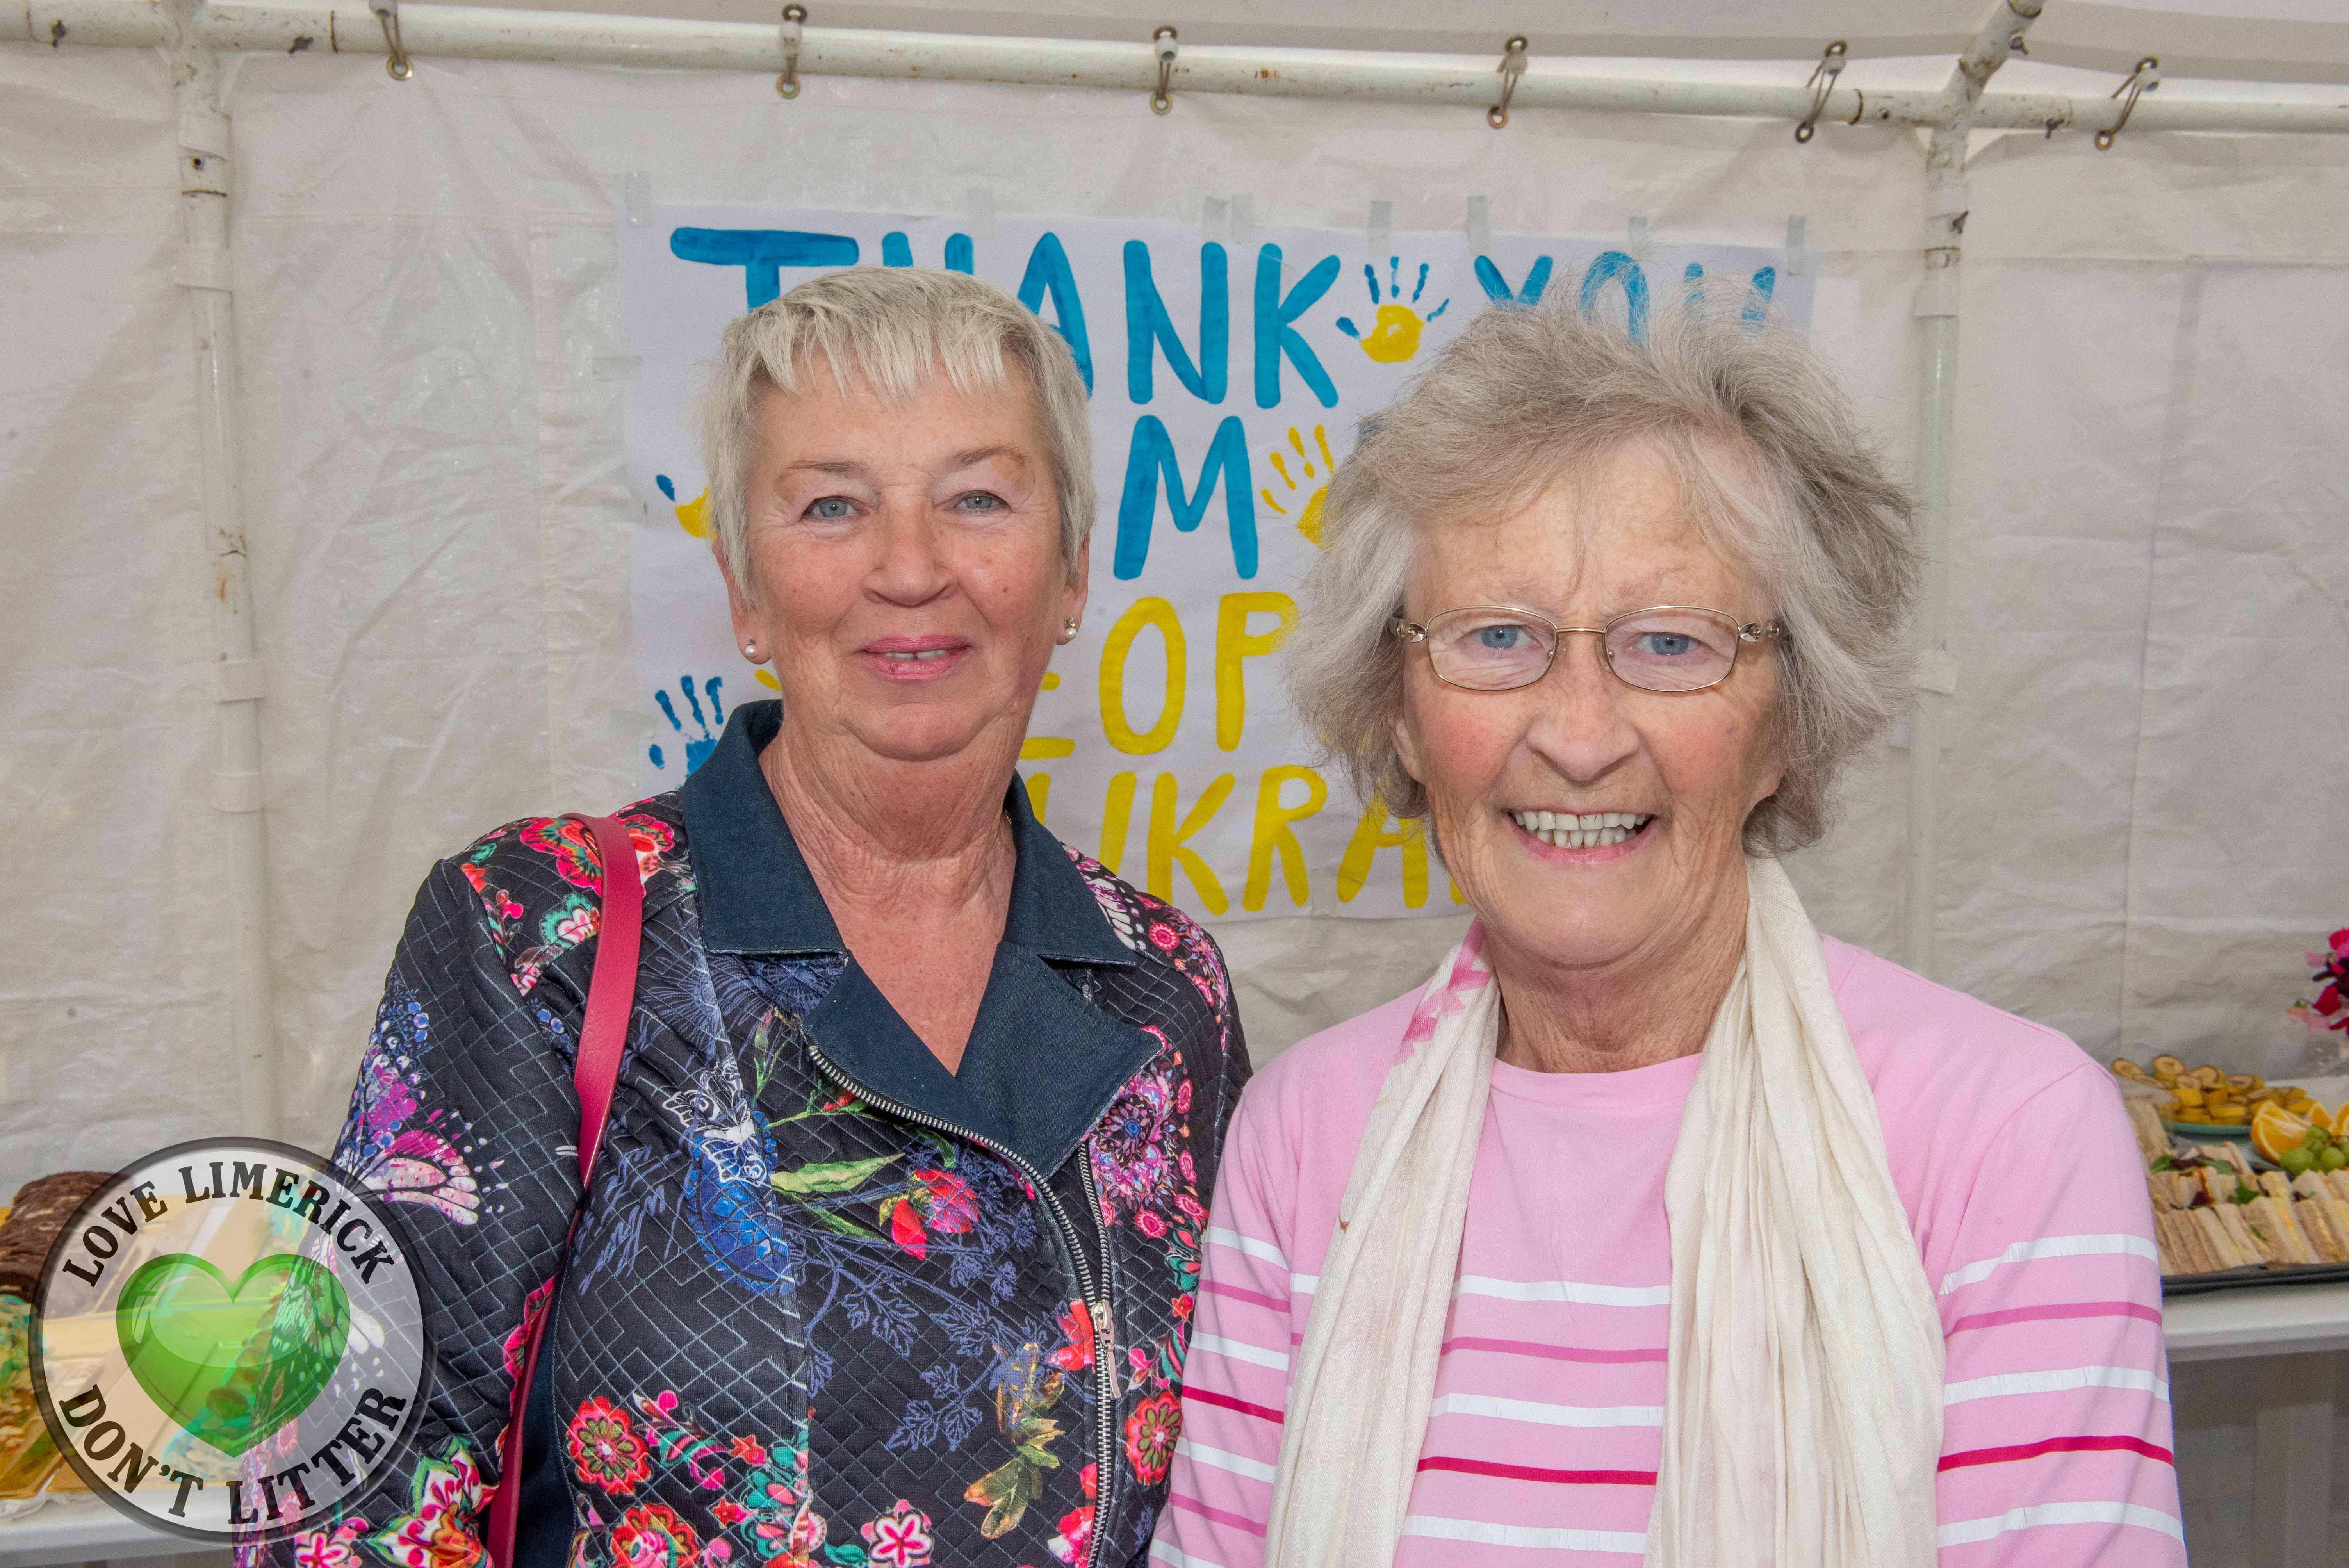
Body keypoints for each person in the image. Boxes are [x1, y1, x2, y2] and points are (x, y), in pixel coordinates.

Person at [1155, 306, 2181, 1568]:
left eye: (1670, 644)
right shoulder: (1303, 1140)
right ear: (1404, 716)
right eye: (1497, 637)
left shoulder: (2006, 1137)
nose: (1581, 736)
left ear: (1790, 718)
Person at [288, 268, 1248, 1568]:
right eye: (832, 506)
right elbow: (358, 1478)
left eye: (977, 498)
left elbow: (1246, 1477)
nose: (910, 569)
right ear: (744, 593)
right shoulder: (542, 933)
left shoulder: (1162, 987)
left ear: (1070, 574)